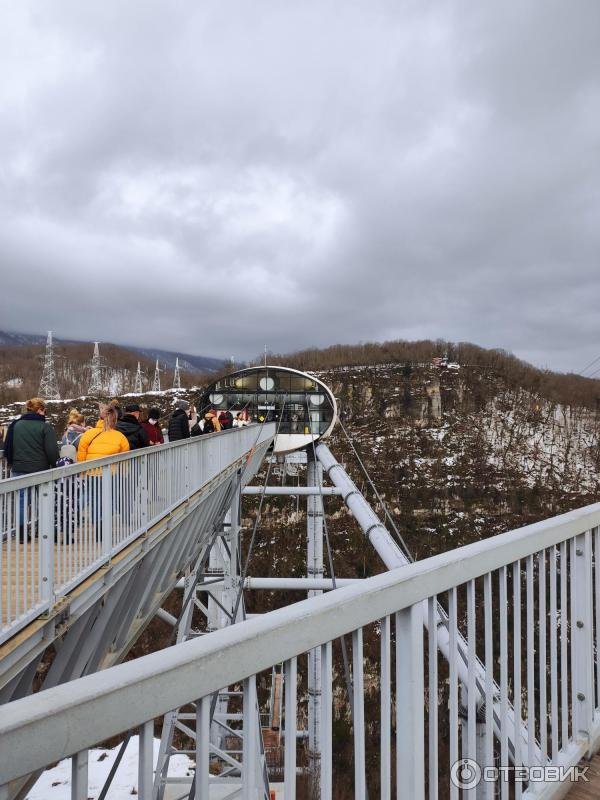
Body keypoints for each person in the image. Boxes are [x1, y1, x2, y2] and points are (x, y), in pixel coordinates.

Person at [4, 397, 59, 476]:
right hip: (39, 470)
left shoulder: (15, 425)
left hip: (18, 469)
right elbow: (52, 451)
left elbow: (9, 446)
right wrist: (56, 466)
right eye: (45, 411)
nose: (45, 414)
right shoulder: (45, 427)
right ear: (40, 410)